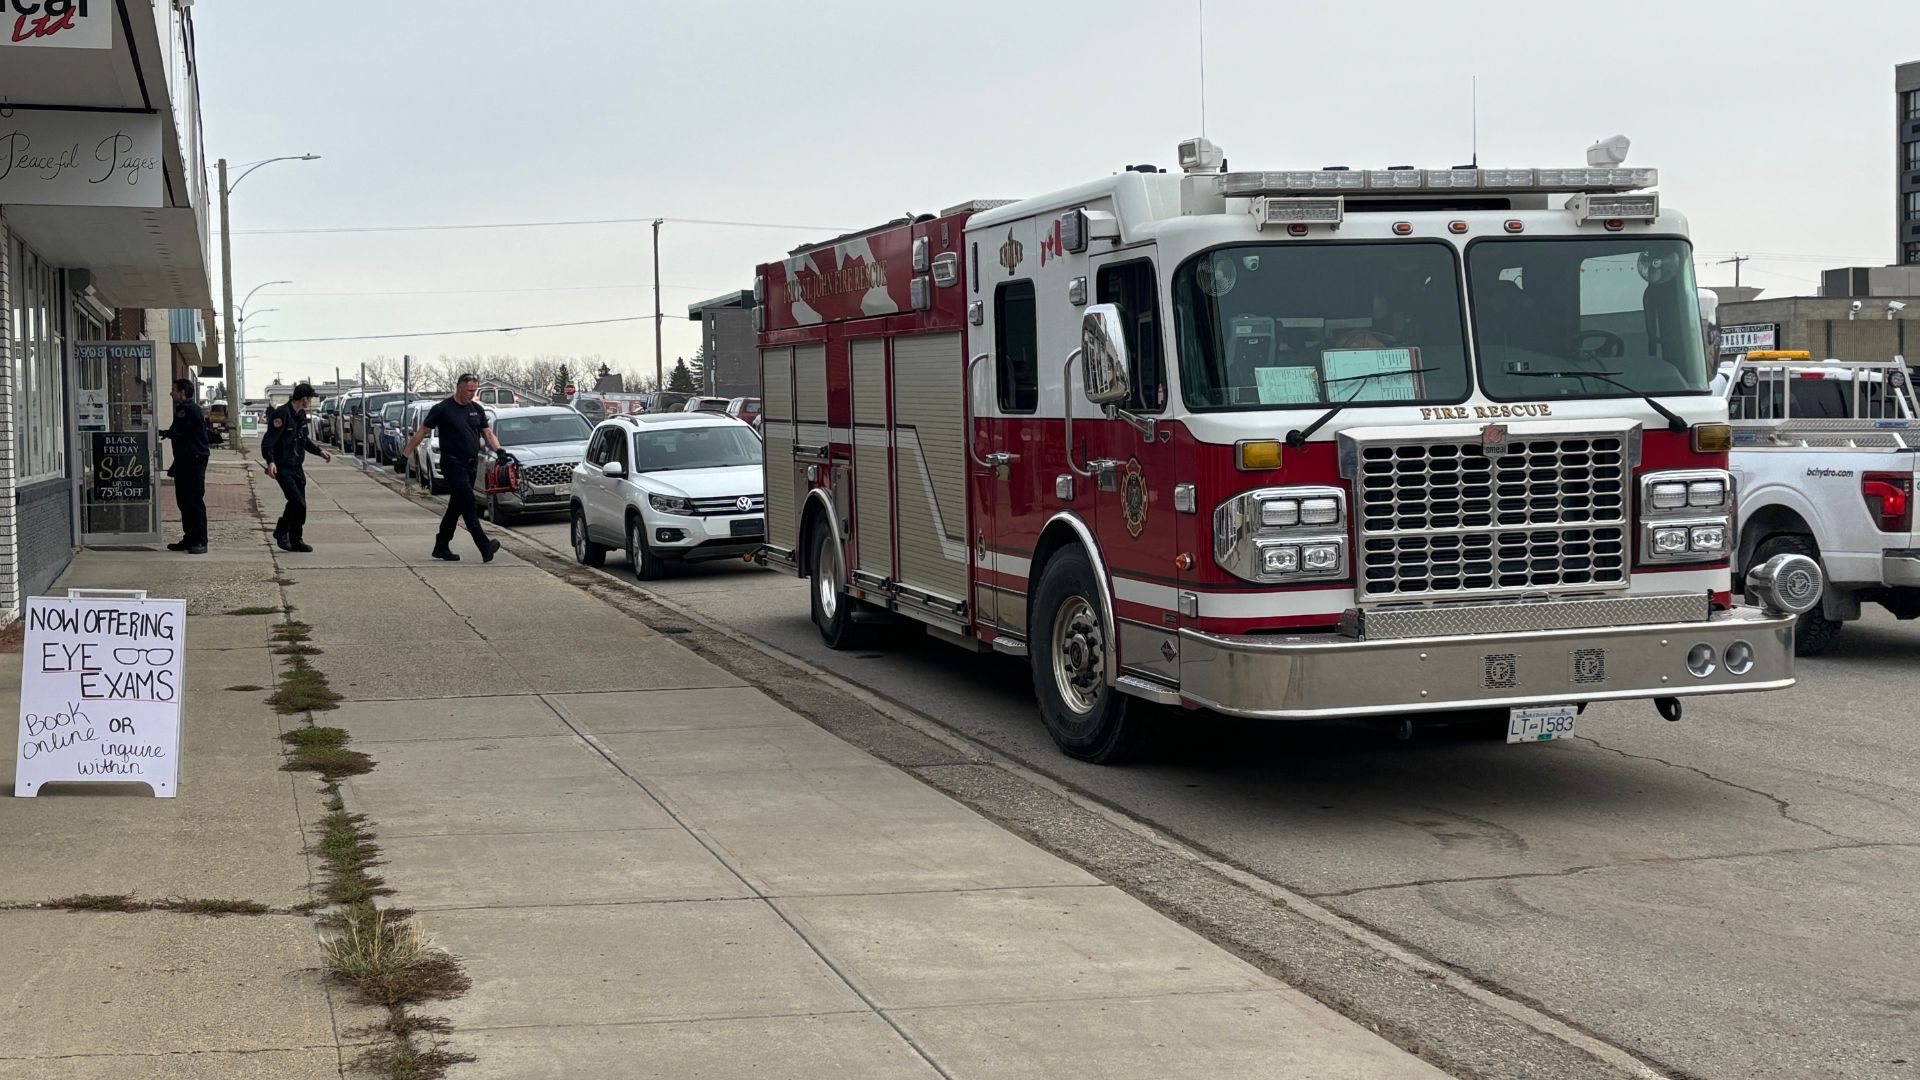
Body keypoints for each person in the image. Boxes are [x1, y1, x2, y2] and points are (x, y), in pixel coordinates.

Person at [400, 373, 503, 563]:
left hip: (471, 465)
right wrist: (405, 455)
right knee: (468, 503)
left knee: (455, 508)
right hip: (452, 464)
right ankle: (484, 546)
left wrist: (500, 451)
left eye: (474, 390)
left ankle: (441, 546)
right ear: (459, 388)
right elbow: (422, 432)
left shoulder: (477, 410)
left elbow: (488, 434)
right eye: (469, 390)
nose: (472, 394)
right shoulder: (442, 409)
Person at [261, 383, 332, 552]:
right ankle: (281, 530)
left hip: (296, 466)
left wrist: (319, 451)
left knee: (301, 506)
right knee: (296, 501)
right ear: (303, 398)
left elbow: (303, 440)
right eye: (310, 398)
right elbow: (268, 442)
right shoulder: (282, 414)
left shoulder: (300, 415)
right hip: (282, 466)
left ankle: (296, 539)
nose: (311, 401)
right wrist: (270, 462)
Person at [160, 379, 210, 554]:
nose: (170, 393)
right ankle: (189, 538)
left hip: (193, 461)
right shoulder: (188, 408)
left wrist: (165, 433)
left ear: (182, 392)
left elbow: (178, 431)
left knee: (193, 501)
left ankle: (200, 540)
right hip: (185, 460)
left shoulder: (186, 409)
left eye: (173, 390)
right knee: (184, 501)